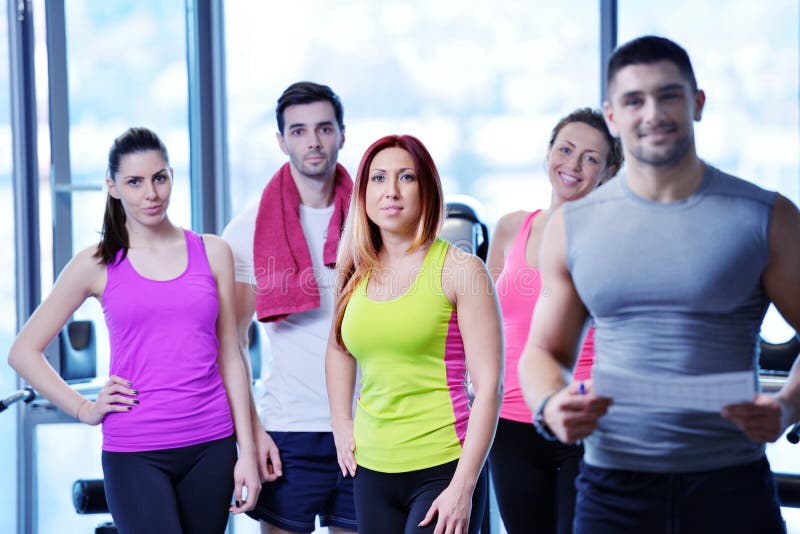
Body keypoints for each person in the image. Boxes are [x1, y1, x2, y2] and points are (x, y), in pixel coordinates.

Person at [518, 35, 800, 533]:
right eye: (634, 100)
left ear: (697, 103)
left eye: (668, 95)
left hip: (730, 485)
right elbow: (543, 350)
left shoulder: (766, 216)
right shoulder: (572, 227)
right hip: (613, 487)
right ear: (612, 116)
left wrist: (786, 407)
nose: (652, 112)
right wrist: (551, 405)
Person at [7, 127, 261, 533]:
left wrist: (246, 449)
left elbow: (230, 353)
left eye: (159, 178)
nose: (151, 193)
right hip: (136, 451)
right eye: (135, 182)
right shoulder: (96, 262)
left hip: (211, 446)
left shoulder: (213, 251)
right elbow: (23, 352)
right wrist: (85, 410)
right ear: (112, 186)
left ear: (172, 177)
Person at [326, 134, 503, 534]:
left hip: (443, 465)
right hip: (371, 468)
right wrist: (340, 421)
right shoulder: (354, 270)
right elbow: (339, 349)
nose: (390, 191)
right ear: (363, 193)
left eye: (406, 177)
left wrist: (464, 486)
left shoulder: (461, 270)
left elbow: (490, 387)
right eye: (378, 178)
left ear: (427, 189)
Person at [221, 81, 358, 534]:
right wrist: (251, 433)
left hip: (367, 423)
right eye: (298, 131)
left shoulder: (374, 220)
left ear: (342, 133)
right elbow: (233, 346)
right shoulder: (246, 231)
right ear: (281, 141)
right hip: (288, 426)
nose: (313, 142)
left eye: (324, 128)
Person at [485, 108, 622, 534]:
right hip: (508, 421)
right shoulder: (510, 228)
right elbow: (484, 324)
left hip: (581, 419)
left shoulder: (614, 239)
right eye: (565, 149)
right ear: (548, 154)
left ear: (608, 171)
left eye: (590, 158)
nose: (573, 165)